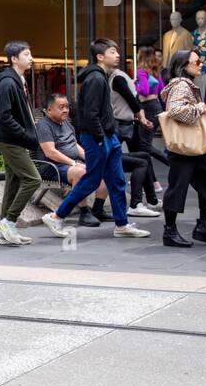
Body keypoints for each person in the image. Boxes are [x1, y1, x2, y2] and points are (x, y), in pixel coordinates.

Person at [41, 39, 150, 239]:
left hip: (107, 136)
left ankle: (122, 224)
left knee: (116, 181)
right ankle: (57, 216)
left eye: (117, 52)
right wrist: (100, 137)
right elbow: (90, 113)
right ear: (100, 56)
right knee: (91, 179)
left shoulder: (100, 77)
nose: (117, 55)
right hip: (97, 137)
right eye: (112, 52)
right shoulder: (95, 79)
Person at [159, 49, 206, 247]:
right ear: (183, 65)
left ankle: (202, 227)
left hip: (193, 147)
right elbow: (175, 111)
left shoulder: (187, 84)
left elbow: (199, 123)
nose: (200, 64)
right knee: (177, 189)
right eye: (196, 61)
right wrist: (199, 108)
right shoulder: (182, 84)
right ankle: (170, 232)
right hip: (184, 149)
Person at [33, 93, 107, 227]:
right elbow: (50, 152)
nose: (66, 110)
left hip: (70, 164)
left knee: (101, 168)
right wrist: (73, 163)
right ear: (49, 110)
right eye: (61, 107)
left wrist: (92, 159)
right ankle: (84, 213)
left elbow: (74, 145)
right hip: (52, 167)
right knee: (80, 172)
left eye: (67, 106)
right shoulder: (43, 126)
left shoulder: (66, 122)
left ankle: (98, 209)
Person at [0, 41, 40, 246]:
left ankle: (5, 231)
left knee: (14, 183)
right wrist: (25, 135)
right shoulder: (8, 82)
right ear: (14, 59)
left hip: (13, 139)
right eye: (27, 54)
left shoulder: (17, 80)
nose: (31, 58)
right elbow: (4, 115)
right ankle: (9, 221)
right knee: (32, 179)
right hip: (10, 140)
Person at [108, 58, 162, 217]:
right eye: (112, 52)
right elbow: (132, 99)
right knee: (139, 159)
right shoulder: (119, 77)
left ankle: (150, 200)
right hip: (123, 123)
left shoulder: (119, 77)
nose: (116, 55)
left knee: (144, 156)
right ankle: (137, 203)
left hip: (127, 122)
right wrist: (142, 116)